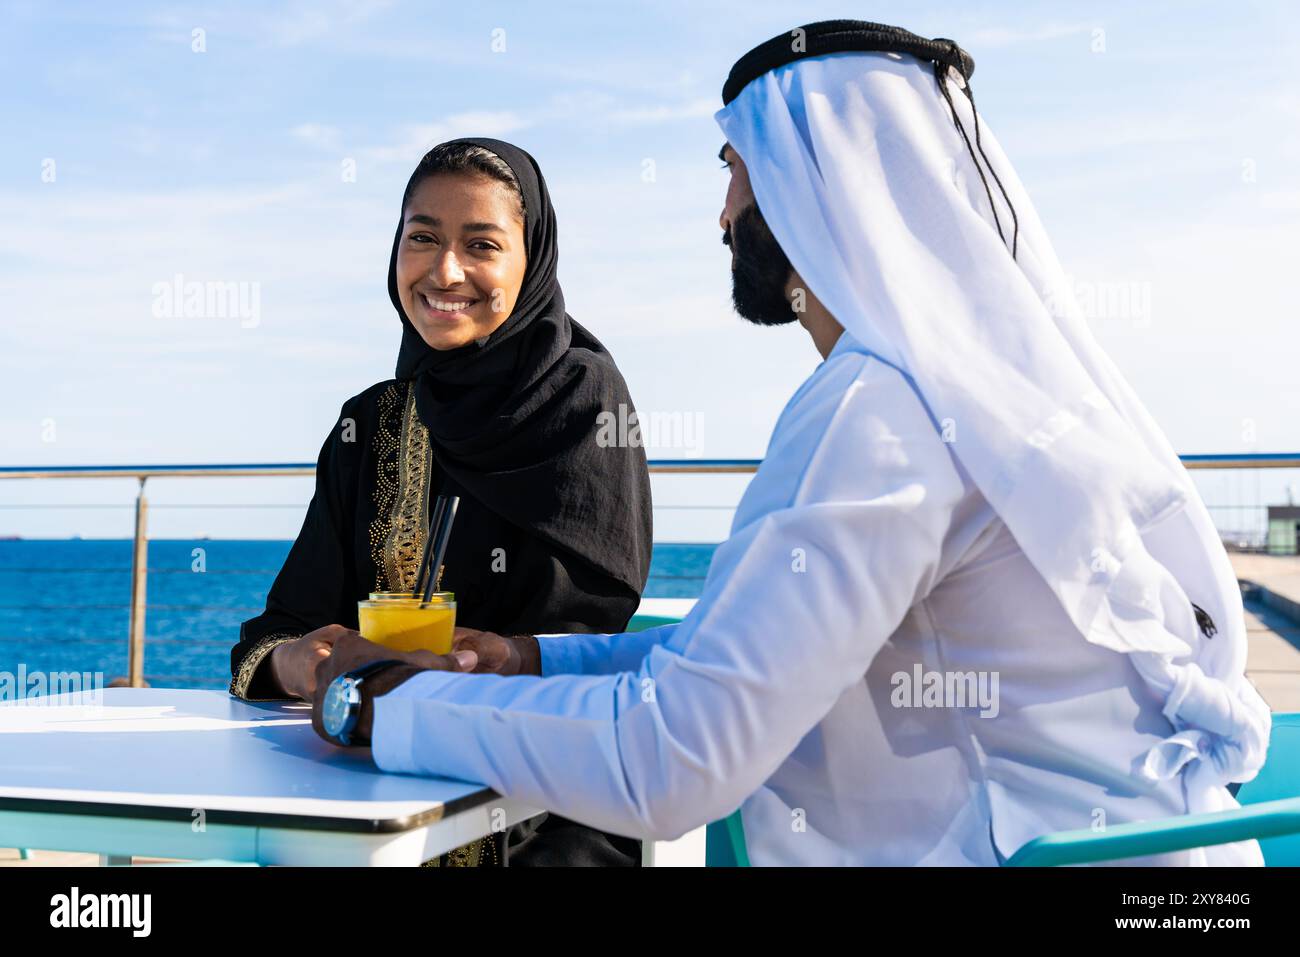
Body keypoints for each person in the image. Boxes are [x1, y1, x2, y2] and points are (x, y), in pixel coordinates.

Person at [309, 22, 1271, 866]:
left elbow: (673, 761)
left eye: (735, 173)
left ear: (814, 185)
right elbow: (711, 660)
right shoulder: (949, 390)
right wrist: (526, 660)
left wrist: (379, 706)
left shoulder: (881, 411)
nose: (720, 215)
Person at [230, 137, 653, 866]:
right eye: (421, 238)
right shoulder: (371, 424)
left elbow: (583, 649)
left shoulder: (582, 404)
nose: (444, 270)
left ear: (533, 261)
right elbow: (274, 633)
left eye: (481, 244)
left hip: (538, 809)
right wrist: (300, 664)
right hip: (363, 791)